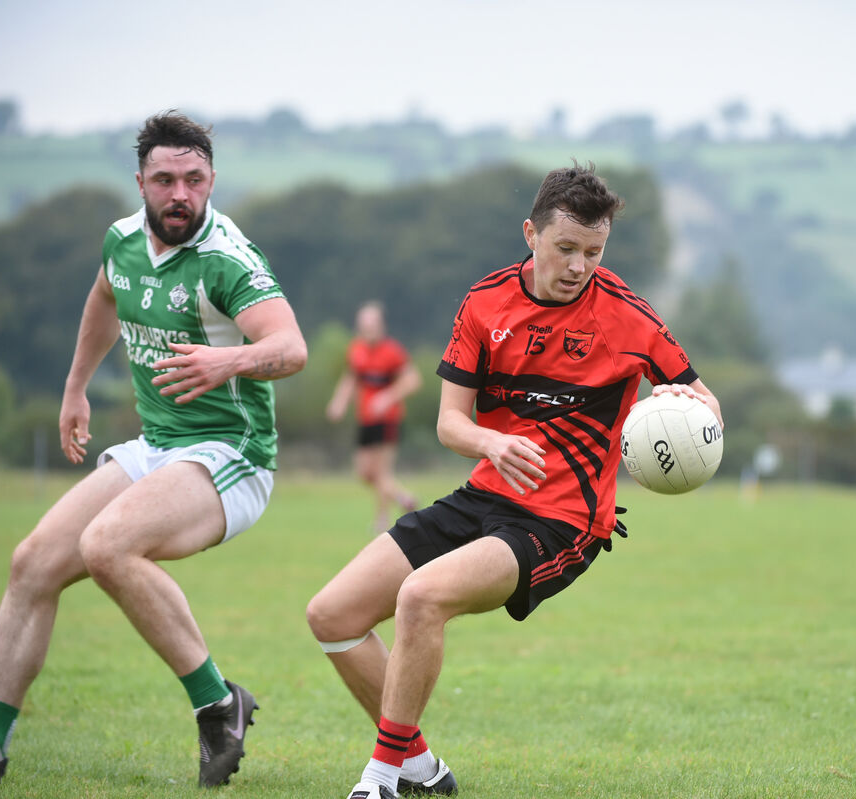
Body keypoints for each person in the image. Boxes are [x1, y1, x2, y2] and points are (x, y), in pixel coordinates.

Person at [306, 163, 722, 799]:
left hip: (562, 522)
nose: (580, 264)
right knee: (332, 614)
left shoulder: (628, 318)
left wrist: (689, 431)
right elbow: (451, 422)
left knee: (421, 598)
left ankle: (381, 779)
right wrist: (490, 441)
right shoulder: (484, 304)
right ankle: (419, 768)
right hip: (484, 493)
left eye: (594, 251)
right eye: (566, 248)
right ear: (531, 234)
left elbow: (702, 400)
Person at [0, 111, 307, 787]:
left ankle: (217, 703)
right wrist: (76, 387)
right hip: (158, 444)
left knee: (106, 545)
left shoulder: (227, 260)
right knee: (32, 563)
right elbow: (105, 297)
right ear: (140, 181)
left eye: (194, 179)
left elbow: (291, 348)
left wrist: (227, 364)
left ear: (211, 180)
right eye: (165, 179)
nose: (180, 194)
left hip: (234, 453)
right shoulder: (123, 242)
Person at [327, 302, 422, 531]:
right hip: (365, 419)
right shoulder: (356, 349)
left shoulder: (392, 351)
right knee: (364, 473)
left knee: (381, 473)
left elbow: (413, 380)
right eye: (363, 325)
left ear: (381, 325)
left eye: (371, 325)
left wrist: (387, 398)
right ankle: (404, 498)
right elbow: (351, 378)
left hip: (388, 419)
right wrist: (339, 401)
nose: (367, 329)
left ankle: (382, 520)